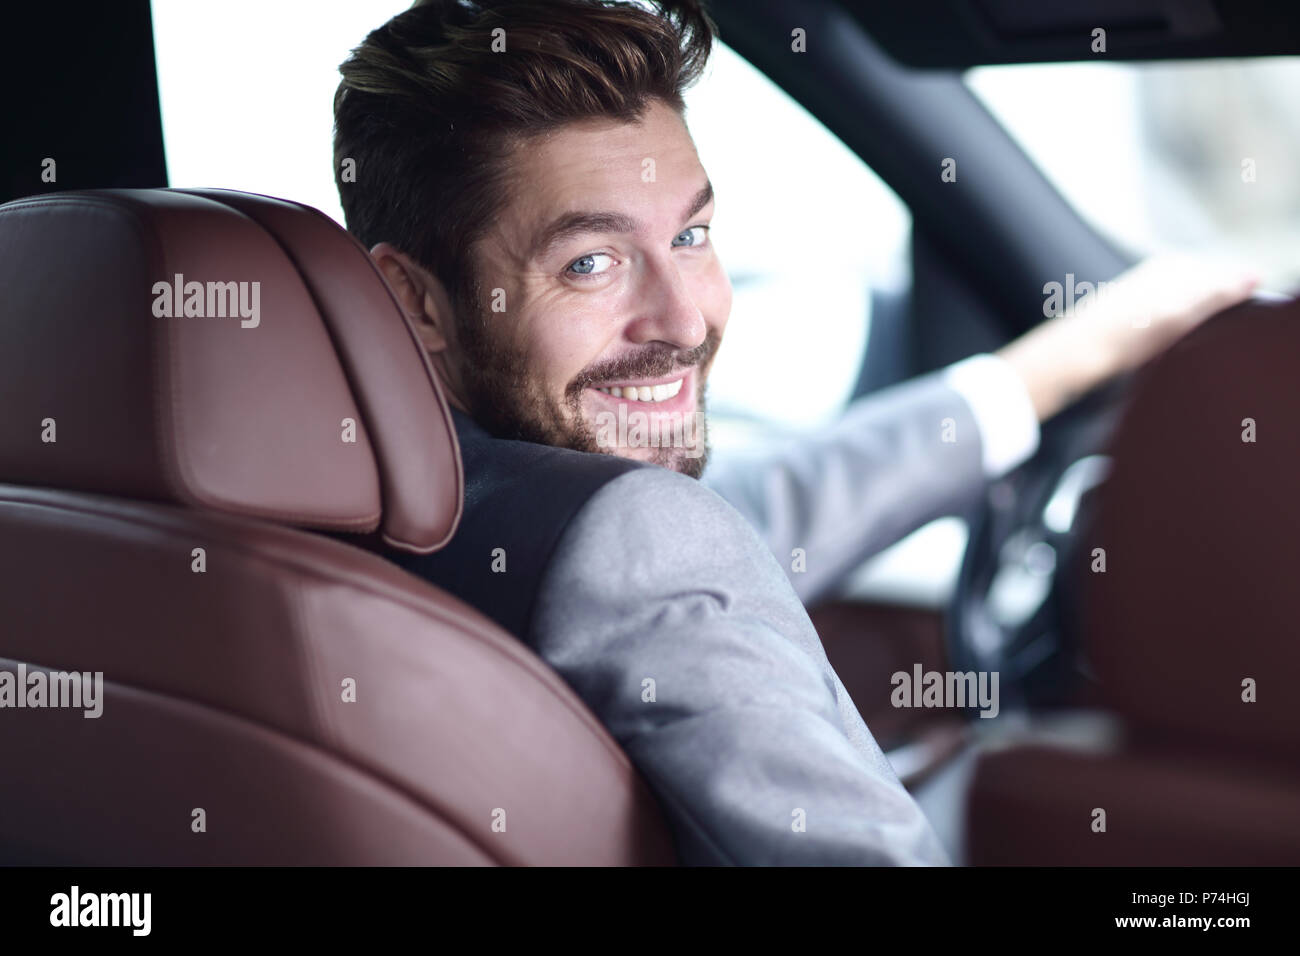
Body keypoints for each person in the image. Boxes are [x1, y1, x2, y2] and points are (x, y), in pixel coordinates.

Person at [332, 0, 1256, 864]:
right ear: (418, 299)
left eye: (691, 238)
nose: (686, 321)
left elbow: (707, 539)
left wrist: (1050, 369)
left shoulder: (367, 511)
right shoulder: (625, 539)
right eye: (591, 262)